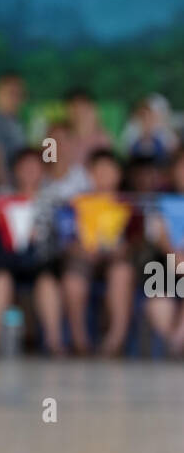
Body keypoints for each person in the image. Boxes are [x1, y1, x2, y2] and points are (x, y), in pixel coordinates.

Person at [0, 147, 64, 355]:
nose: (29, 172)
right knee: (0, 280)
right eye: (24, 167)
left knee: (47, 283)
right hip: (7, 262)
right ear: (15, 171)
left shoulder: (52, 200)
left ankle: (55, 342)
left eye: (34, 167)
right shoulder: (1, 198)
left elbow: (61, 238)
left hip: (39, 264)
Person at [59, 148, 138, 355]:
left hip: (116, 260)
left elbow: (137, 241)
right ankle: (80, 341)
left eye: (108, 170)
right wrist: (81, 251)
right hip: (83, 258)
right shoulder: (76, 203)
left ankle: (114, 341)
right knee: (72, 279)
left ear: (118, 174)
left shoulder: (130, 205)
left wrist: (122, 250)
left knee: (122, 273)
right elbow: (66, 238)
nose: (103, 175)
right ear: (90, 174)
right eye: (98, 170)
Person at [144, 147, 184, 354]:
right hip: (165, 263)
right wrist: (175, 256)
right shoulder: (159, 200)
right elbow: (157, 235)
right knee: (158, 295)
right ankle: (174, 342)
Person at [64, 89, 112, 167]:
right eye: (74, 107)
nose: (78, 113)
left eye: (82, 107)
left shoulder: (103, 139)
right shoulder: (59, 137)